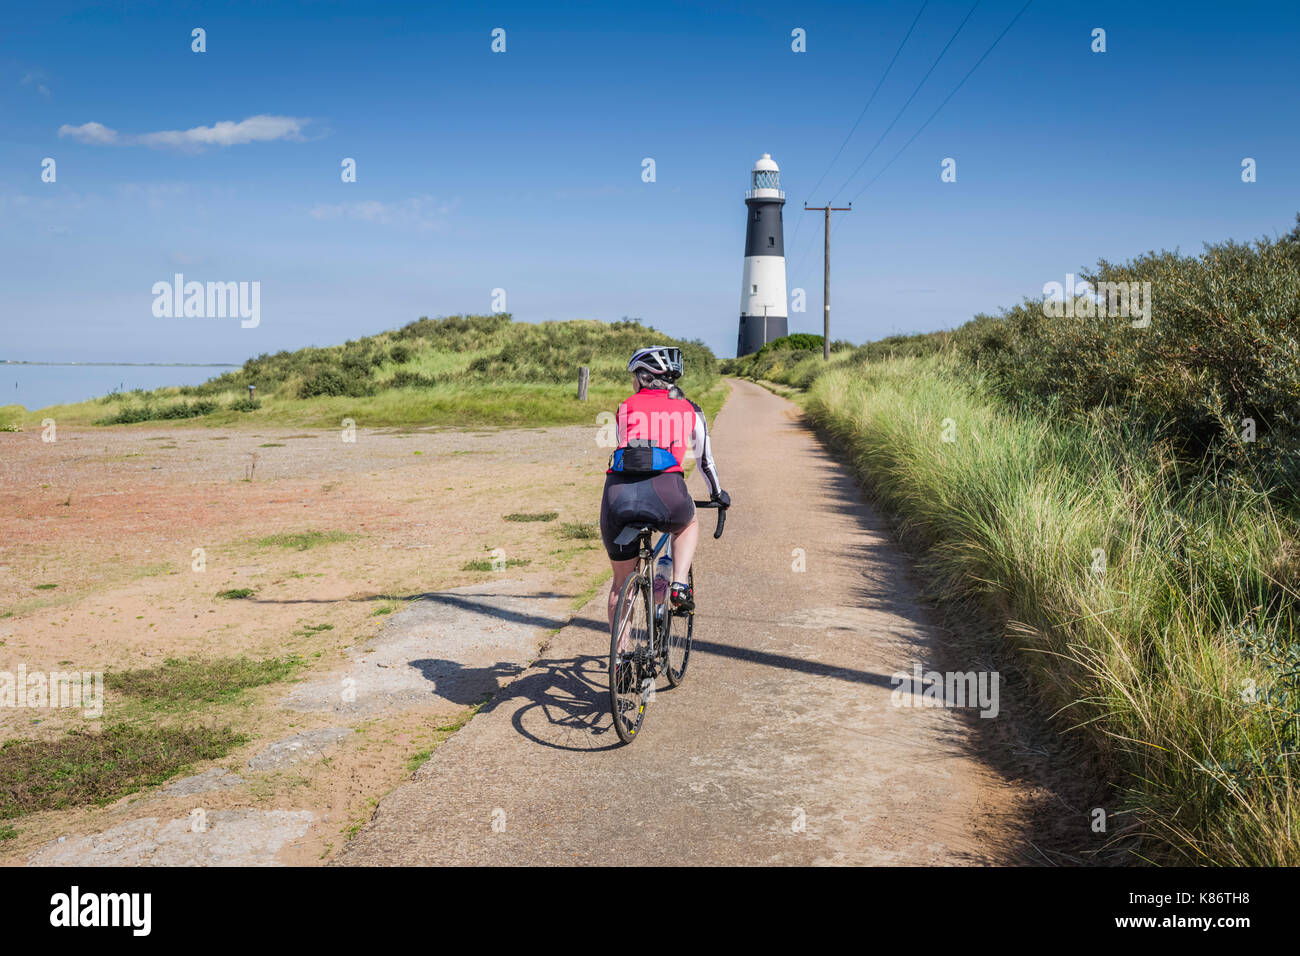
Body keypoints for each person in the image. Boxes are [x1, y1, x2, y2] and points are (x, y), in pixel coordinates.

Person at [600, 346, 730, 630]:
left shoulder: (625, 406)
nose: (632, 381)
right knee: (688, 522)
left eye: (634, 375)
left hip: (618, 494)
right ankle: (679, 585)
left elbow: (632, 450)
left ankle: (620, 661)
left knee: (620, 584)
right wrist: (718, 494)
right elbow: (705, 460)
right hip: (666, 492)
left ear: (643, 377)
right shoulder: (690, 408)